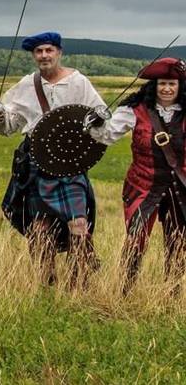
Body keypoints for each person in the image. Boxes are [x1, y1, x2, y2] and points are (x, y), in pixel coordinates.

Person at [0, 31, 104, 286]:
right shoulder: (27, 84)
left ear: (59, 52)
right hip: (36, 161)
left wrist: (97, 121)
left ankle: (78, 284)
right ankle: (46, 283)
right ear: (33, 56)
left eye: (49, 50)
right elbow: (10, 124)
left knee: (79, 224)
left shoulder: (78, 82)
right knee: (40, 229)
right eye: (39, 51)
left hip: (69, 163)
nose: (44, 56)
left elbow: (99, 117)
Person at [89, 57, 186, 293]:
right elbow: (107, 135)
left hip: (179, 186)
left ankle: (170, 293)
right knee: (136, 239)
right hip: (143, 185)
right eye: (162, 83)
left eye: (172, 84)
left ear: (180, 87)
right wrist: (97, 123)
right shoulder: (134, 111)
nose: (167, 88)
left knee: (178, 242)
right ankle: (125, 291)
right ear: (154, 85)